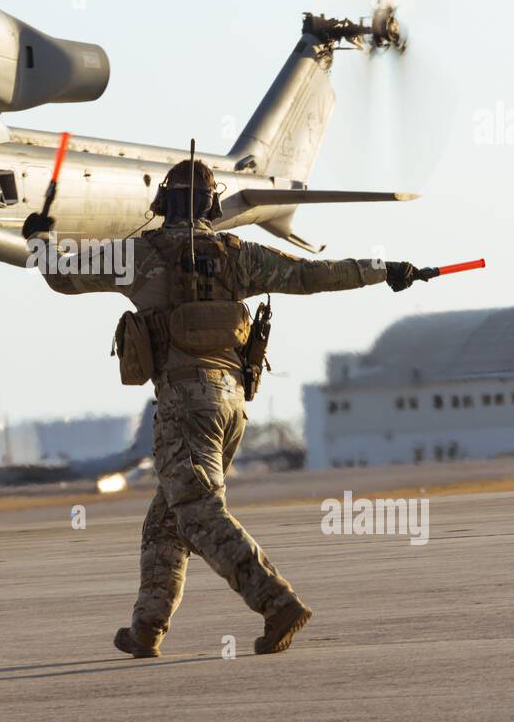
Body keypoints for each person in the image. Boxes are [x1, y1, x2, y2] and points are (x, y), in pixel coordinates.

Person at [26, 158, 430, 658]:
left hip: (183, 404)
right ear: (213, 205)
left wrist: (40, 238)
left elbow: (62, 275)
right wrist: (383, 270)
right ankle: (147, 629)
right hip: (232, 405)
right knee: (168, 520)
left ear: (161, 203)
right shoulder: (239, 256)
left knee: (196, 513)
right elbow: (312, 275)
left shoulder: (137, 254)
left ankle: (276, 601)